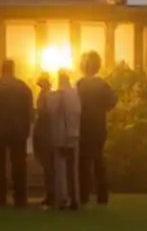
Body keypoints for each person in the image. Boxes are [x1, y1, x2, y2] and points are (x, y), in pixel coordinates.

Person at [0, 59, 33, 208]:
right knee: (19, 165)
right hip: (18, 130)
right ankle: (20, 198)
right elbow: (29, 111)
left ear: (1, 70)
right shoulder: (23, 88)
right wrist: (26, 128)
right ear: (13, 70)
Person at [75, 51, 117, 206]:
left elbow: (75, 105)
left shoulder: (80, 85)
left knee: (83, 162)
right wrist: (102, 109)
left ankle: (84, 194)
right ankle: (102, 195)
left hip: (84, 126)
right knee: (99, 160)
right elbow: (113, 101)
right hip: (99, 125)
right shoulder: (103, 85)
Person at [46, 70, 82, 210]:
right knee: (73, 170)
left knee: (61, 169)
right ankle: (74, 198)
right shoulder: (75, 95)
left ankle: (63, 198)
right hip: (73, 135)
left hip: (60, 136)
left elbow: (50, 112)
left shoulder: (56, 96)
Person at [32, 72, 55, 208]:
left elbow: (44, 112)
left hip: (45, 133)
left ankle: (51, 194)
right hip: (44, 132)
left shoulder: (47, 97)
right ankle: (50, 194)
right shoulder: (46, 96)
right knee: (48, 166)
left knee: (48, 166)